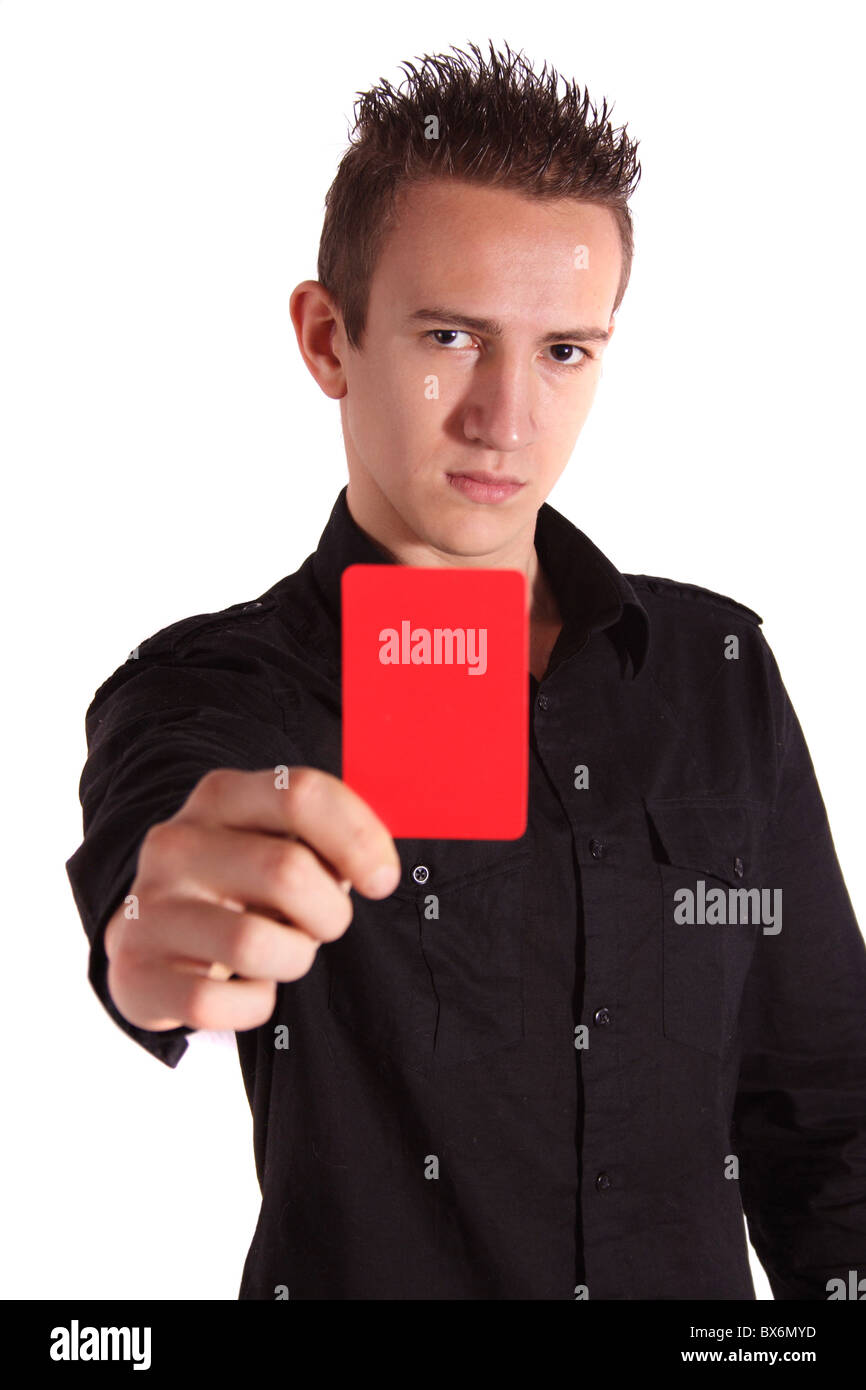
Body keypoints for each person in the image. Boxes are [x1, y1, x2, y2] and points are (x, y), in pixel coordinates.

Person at [66, 41, 866, 1300]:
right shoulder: (216, 688)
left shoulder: (714, 672)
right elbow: (160, 853)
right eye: (451, 335)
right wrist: (161, 932)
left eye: (563, 351)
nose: (506, 417)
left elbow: (826, 1121)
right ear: (330, 340)